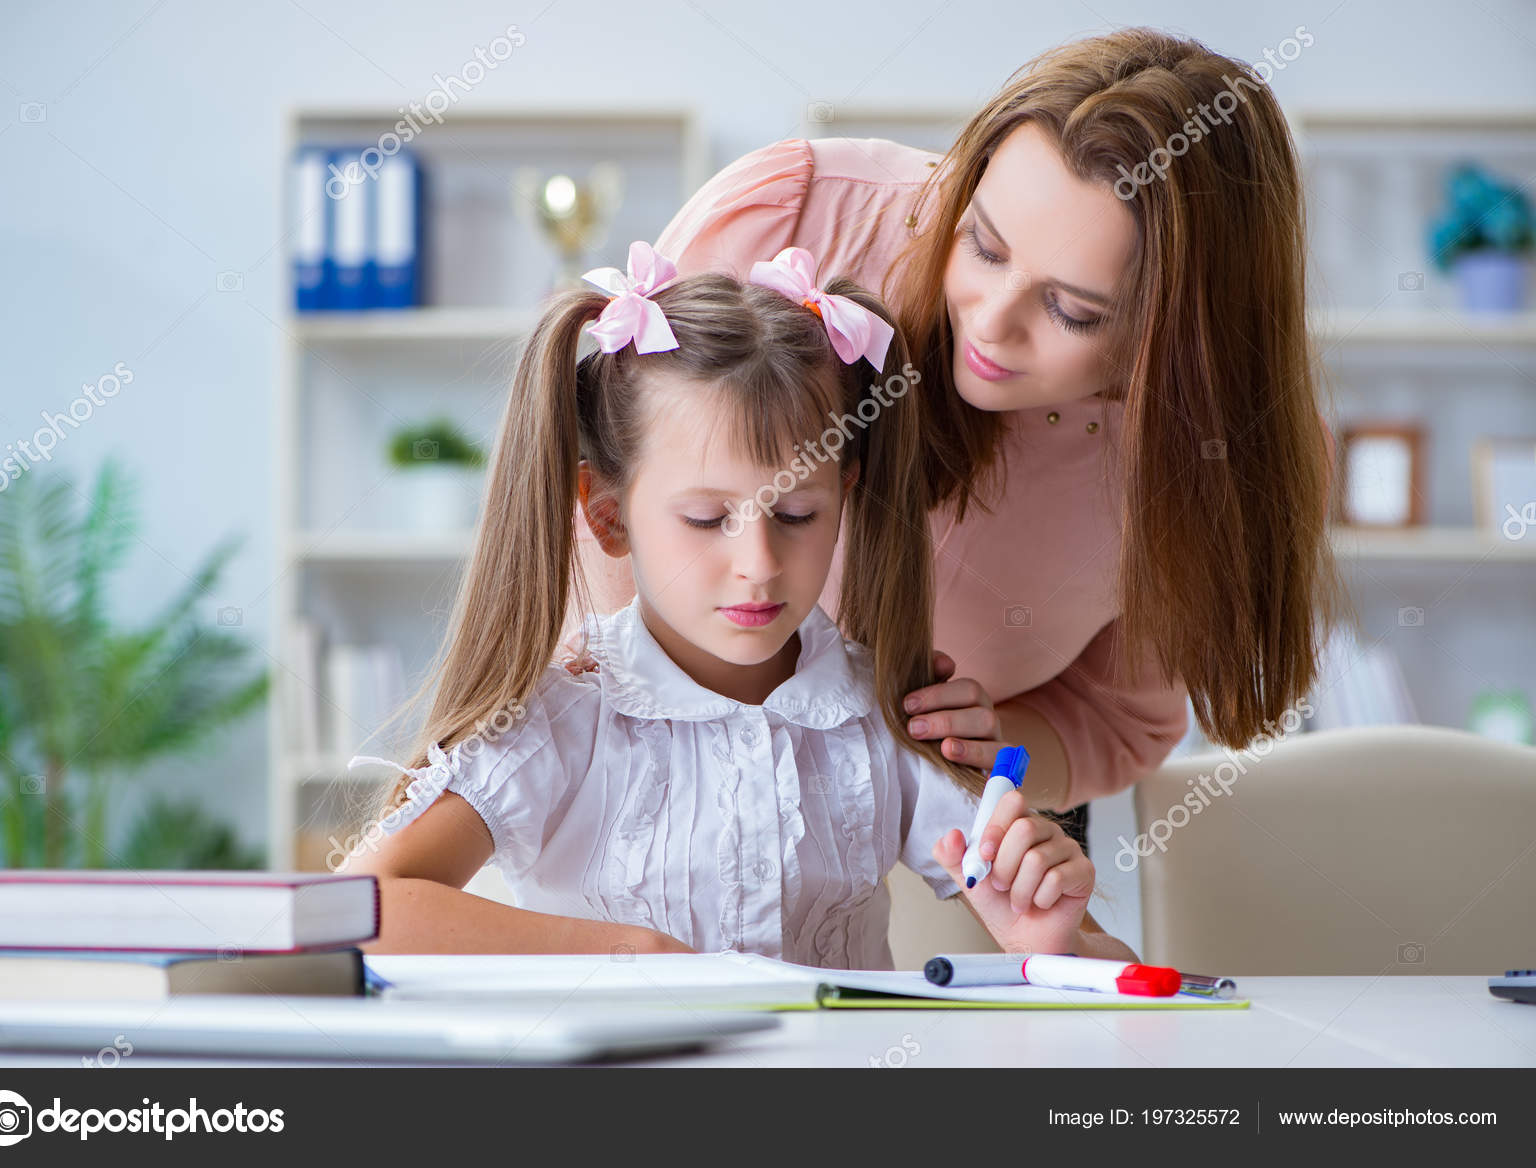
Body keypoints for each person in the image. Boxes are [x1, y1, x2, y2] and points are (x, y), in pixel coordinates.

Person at [566, 27, 1338, 856]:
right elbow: (615, 506)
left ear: (1183, 336)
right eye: (983, 245)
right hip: (638, 785)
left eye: (1073, 311)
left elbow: (1114, 721)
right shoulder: (800, 222)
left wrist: (983, 747)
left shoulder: (1215, 461)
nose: (991, 320)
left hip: (934, 831)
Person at [342, 242, 1133, 967]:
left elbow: (1108, 984)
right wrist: (628, 952)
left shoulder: (883, 713)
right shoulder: (559, 718)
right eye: (706, 520)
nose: (758, 565)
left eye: (797, 516)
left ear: (845, 494)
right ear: (609, 517)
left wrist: (1051, 940)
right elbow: (363, 910)